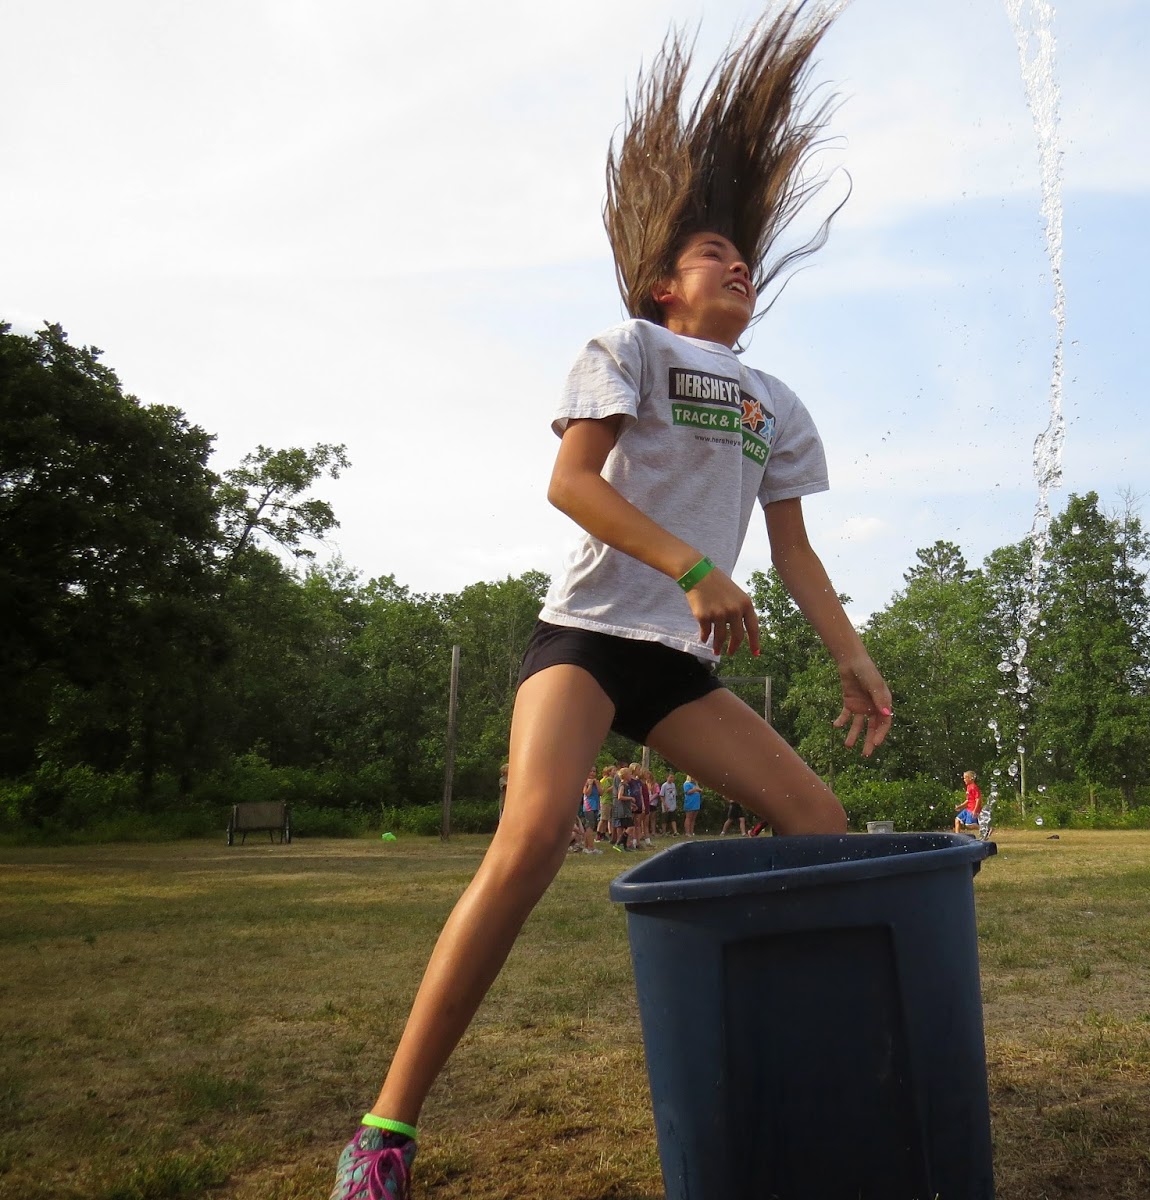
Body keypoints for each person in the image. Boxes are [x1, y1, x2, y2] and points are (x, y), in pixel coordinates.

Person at [328, 9, 891, 1195]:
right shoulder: (627, 347)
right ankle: (384, 1136)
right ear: (661, 286)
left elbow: (794, 554)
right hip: (587, 639)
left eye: (742, 257)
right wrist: (691, 568)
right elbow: (570, 483)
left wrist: (852, 654)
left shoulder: (779, 401)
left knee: (821, 826)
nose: (736, 265)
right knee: (532, 839)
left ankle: (782, 1061)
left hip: (679, 667)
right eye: (711, 255)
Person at [659, 771, 679, 836]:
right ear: (667, 777)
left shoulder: (673, 785)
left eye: (673, 777)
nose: (672, 779)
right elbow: (661, 795)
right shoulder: (664, 785)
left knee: (673, 818)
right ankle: (664, 832)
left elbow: (675, 794)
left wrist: (675, 804)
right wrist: (664, 804)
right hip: (666, 804)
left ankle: (675, 831)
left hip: (672, 803)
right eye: (670, 777)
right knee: (665, 818)